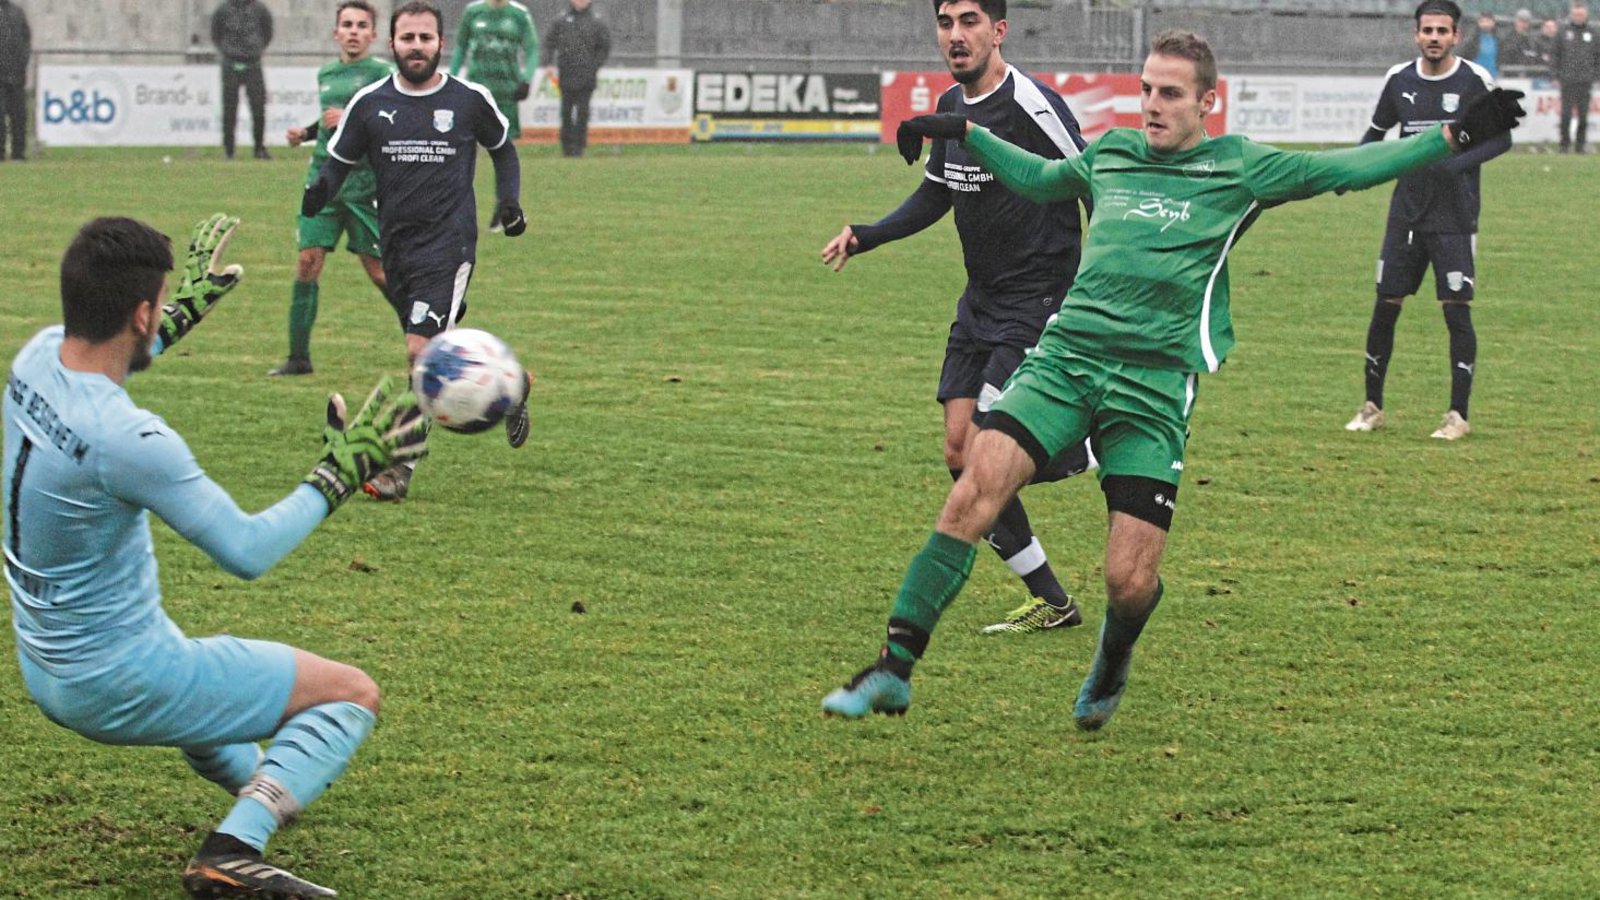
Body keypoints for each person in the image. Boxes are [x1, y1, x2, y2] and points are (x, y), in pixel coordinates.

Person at [820, 28, 1524, 727]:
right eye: (1146, 89)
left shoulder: (1243, 167)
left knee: (1128, 582)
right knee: (975, 483)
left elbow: (1347, 167)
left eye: (1170, 94)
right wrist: (963, 131)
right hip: (1066, 361)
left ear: (1207, 103)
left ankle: (1113, 658)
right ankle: (894, 667)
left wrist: (1452, 139)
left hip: (1153, 388)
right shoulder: (1115, 152)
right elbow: (1040, 179)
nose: (1152, 105)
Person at [3, 214, 428, 899]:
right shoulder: (129, 439)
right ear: (141, 311)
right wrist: (338, 474)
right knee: (351, 694)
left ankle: (263, 786)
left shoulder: (36, 358)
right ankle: (230, 851)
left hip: (44, 659)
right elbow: (246, 550)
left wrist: (187, 310)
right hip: (121, 677)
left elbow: (114, 352)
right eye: (162, 304)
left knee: (213, 698)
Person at [821, 0, 1094, 636]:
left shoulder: (1034, 106)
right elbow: (939, 191)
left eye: (969, 21)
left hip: (1039, 299)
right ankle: (1053, 601)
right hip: (981, 301)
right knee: (957, 451)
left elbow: (1092, 181)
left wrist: (1103, 279)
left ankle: (1077, 444)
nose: (955, 35)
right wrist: (868, 235)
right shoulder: (950, 107)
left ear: (999, 31)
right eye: (945, 23)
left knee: (985, 449)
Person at [303, 0, 530, 501]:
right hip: (397, 248)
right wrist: (318, 192)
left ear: (441, 44)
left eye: (426, 38)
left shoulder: (468, 100)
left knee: (420, 352)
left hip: (449, 245)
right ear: (394, 44)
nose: (417, 47)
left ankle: (400, 469)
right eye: (408, 39)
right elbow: (339, 159)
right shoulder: (370, 103)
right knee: (434, 345)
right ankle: (510, 382)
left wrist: (509, 202)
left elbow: (503, 148)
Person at [1345, 0, 1511, 442]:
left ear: (1456, 35)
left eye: (1443, 30)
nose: (1434, 37)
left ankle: (1457, 414)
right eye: (1427, 30)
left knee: (1456, 311)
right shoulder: (1399, 80)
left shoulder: (1474, 80)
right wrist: (1346, 171)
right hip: (1406, 214)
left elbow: (1502, 138)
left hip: (1455, 217)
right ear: (1416, 35)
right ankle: (1371, 406)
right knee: (1386, 305)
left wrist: (1456, 166)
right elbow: (1375, 137)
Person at [270, 0, 394, 377]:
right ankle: (298, 358)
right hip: (323, 180)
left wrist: (352, 118)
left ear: (373, 35)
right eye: (347, 25)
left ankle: (428, 336)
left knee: (378, 271)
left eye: (361, 26)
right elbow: (329, 122)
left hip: (362, 184)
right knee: (308, 261)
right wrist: (306, 133)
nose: (354, 31)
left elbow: (392, 121)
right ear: (335, 33)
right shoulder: (326, 73)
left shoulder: (383, 74)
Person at [450, 0, 539, 138]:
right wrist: (452, 77)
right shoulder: (472, 11)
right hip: (477, 87)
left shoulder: (520, 14)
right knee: (472, 137)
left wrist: (526, 80)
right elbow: (460, 46)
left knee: (507, 141)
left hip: (507, 89)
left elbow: (532, 49)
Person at [539, 0, 611, 157]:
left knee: (583, 112)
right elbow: (548, 43)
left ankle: (579, 147)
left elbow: (605, 48)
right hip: (566, 75)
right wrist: (548, 63)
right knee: (566, 111)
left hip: (587, 76)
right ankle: (566, 147)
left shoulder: (596, 22)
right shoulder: (562, 21)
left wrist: (594, 65)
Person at [212, 0, 274, 160]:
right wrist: (228, 50)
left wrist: (255, 49)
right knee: (229, 109)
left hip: (253, 63)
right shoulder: (223, 9)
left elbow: (267, 33)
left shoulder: (260, 9)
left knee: (258, 108)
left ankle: (259, 148)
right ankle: (229, 150)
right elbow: (216, 34)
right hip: (230, 64)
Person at [1551, 2, 1599, 153]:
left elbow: (1598, 56)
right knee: (1565, 115)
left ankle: (1580, 145)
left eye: (1581, 14)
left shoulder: (1593, 33)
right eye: (1576, 14)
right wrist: (1555, 74)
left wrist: (1595, 74)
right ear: (1572, 14)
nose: (1579, 17)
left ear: (1586, 14)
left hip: (1586, 80)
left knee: (1583, 116)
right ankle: (1564, 145)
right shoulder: (1563, 32)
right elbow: (1555, 54)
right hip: (1567, 80)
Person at [0, 0, 28, 162]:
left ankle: (18, 153)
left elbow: (25, 41)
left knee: (19, 117)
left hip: (16, 76)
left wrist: (21, 65)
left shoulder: (17, 13)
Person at [1500, 9, 1542, 77]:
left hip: (1530, 77)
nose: (1523, 24)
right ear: (1516, 22)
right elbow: (1505, 57)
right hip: (1511, 76)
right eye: (1521, 21)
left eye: (1526, 22)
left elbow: (1537, 58)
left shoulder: (1534, 40)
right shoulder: (1507, 38)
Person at [1461, 11, 1500, 77]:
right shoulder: (1472, 40)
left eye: (1488, 21)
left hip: (1494, 77)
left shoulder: (1498, 39)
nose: (1485, 24)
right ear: (1478, 23)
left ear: (1493, 23)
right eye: (1482, 21)